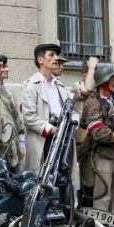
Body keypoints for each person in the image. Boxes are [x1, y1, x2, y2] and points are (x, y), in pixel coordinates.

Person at [78, 63, 114, 216]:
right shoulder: (93, 101)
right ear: (104, 81)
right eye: (113, 79)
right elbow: (96, 130)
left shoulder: (113, 100)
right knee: (102, 197)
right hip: (102, 154)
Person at [21, 44, 70, 173]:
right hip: (44, 139)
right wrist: (52, 129)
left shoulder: (60, 85)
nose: (56, 58)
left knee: (62, 178)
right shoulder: (31, 85)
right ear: (40, 60)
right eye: (51, 55)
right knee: (43, 179)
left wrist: (71, 124)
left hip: (63, 136)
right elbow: (29, 117)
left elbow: (70, 108)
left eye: (56, 55)